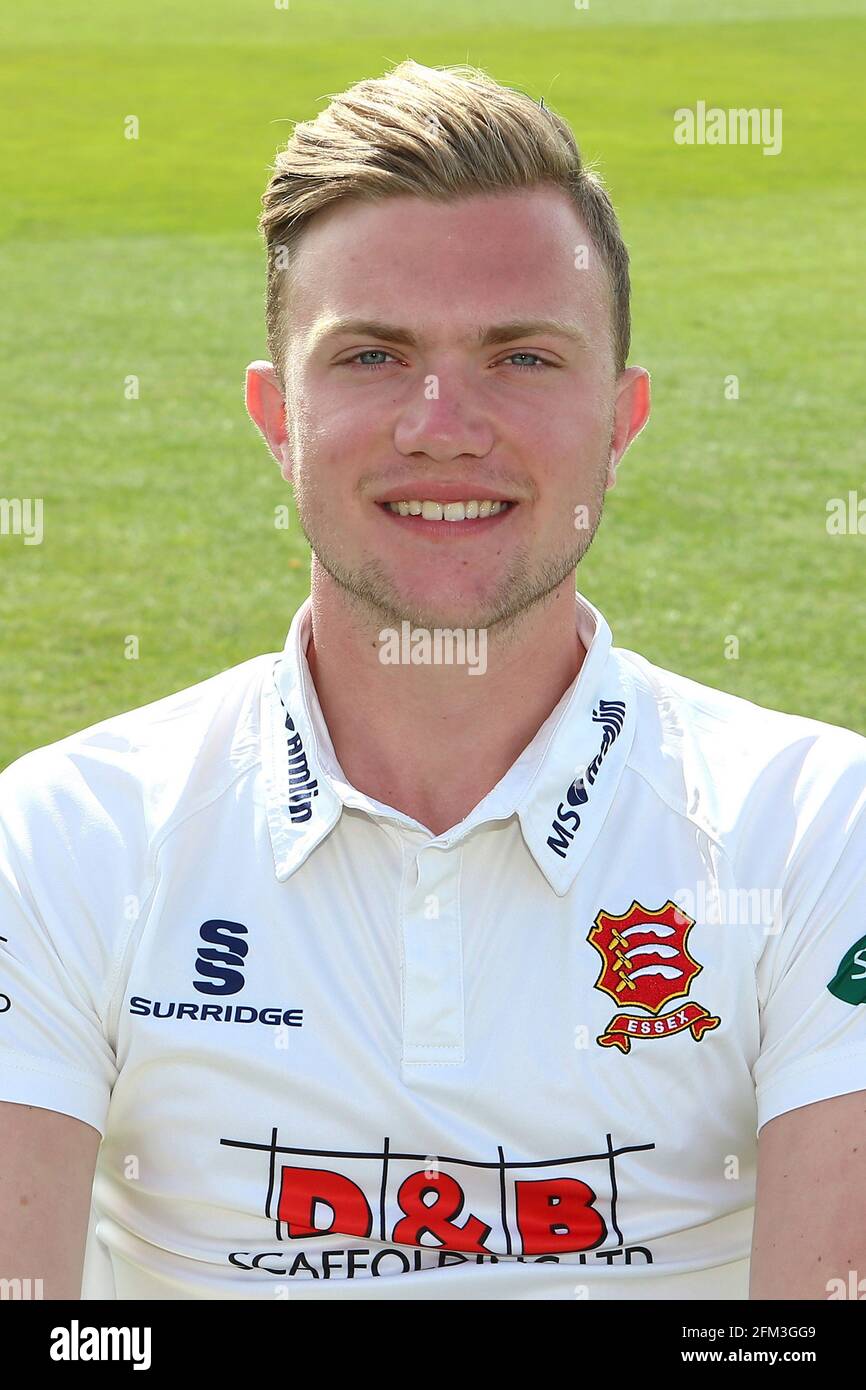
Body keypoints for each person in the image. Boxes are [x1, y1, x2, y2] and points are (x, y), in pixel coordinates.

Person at [1, 59, 864, 1302]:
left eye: (520, 358)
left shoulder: (815, 826)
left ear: (619, 419)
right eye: (369, 357)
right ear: (274, 418)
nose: (442, 422)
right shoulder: (62, 835)